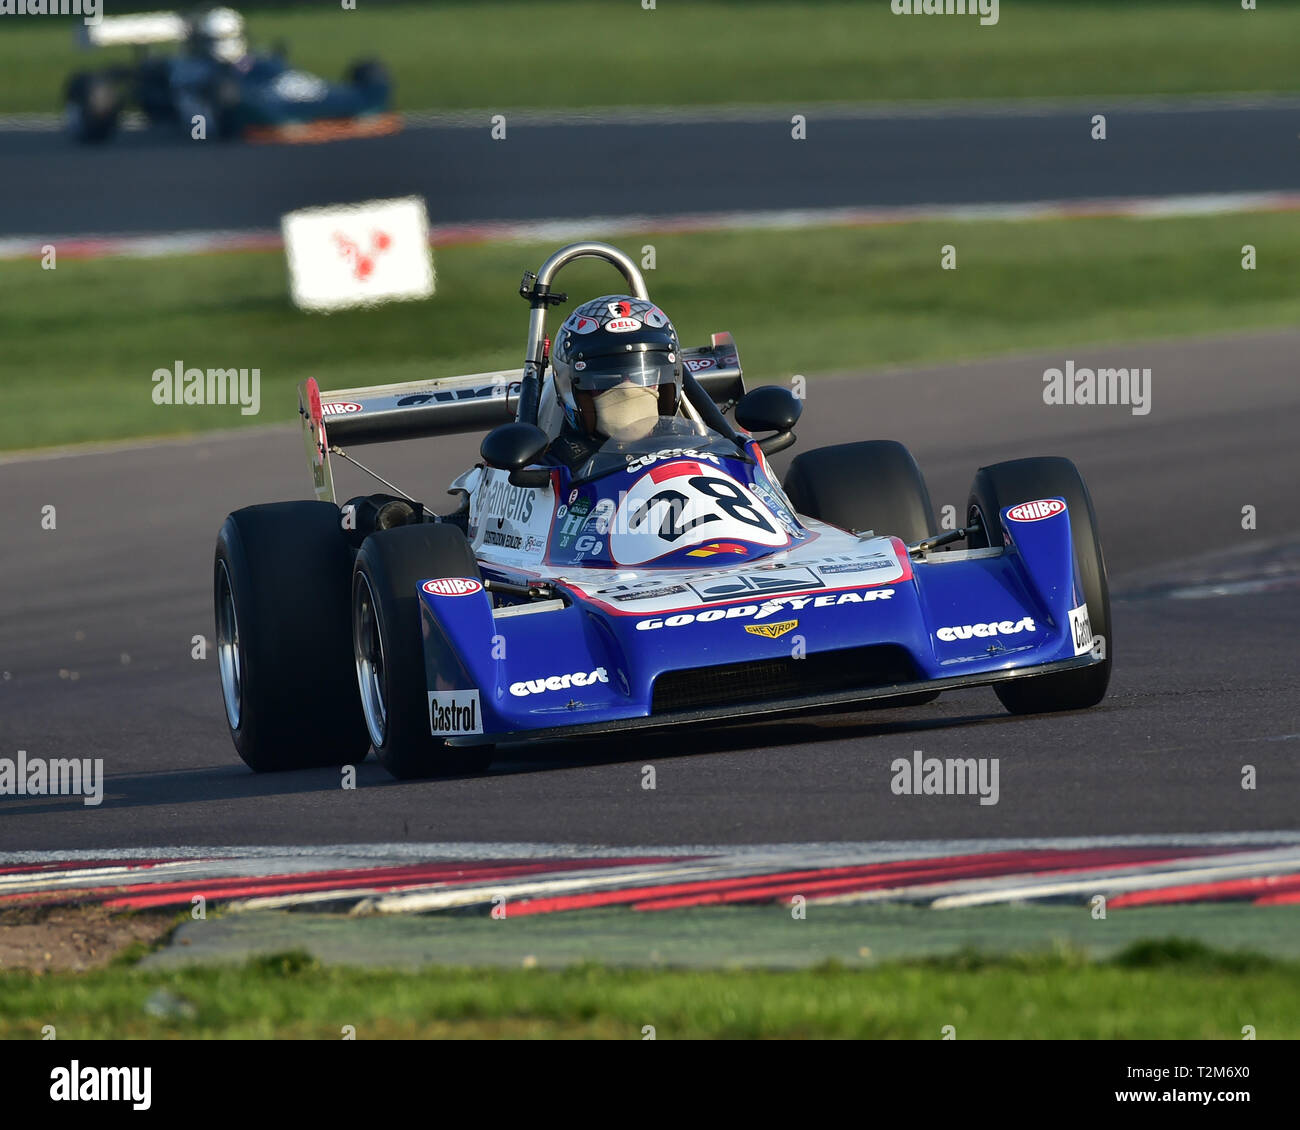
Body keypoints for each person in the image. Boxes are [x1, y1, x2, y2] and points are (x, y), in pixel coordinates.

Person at [546, 295, 684, 467]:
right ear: (569, 386)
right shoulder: (557, 465)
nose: (628, 387)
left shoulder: (692, 446)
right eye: (607, 378)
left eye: (643, 375)